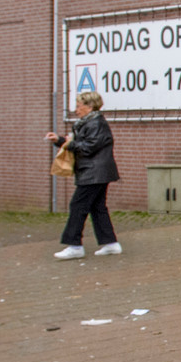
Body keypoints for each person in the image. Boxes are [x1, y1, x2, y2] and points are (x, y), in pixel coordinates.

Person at [46, 91, 121, 259]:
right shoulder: (92, 123)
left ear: (89, 106)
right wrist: (61, 140)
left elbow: (88, 147)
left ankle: (74, 245)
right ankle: (110, 243)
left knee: (78, 206)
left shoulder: (95, 124)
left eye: (79, 106)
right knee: (97, 207)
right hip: (99, 172)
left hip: (93, 172)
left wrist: (65, 142)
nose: (76, 110)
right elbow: (85, 144)